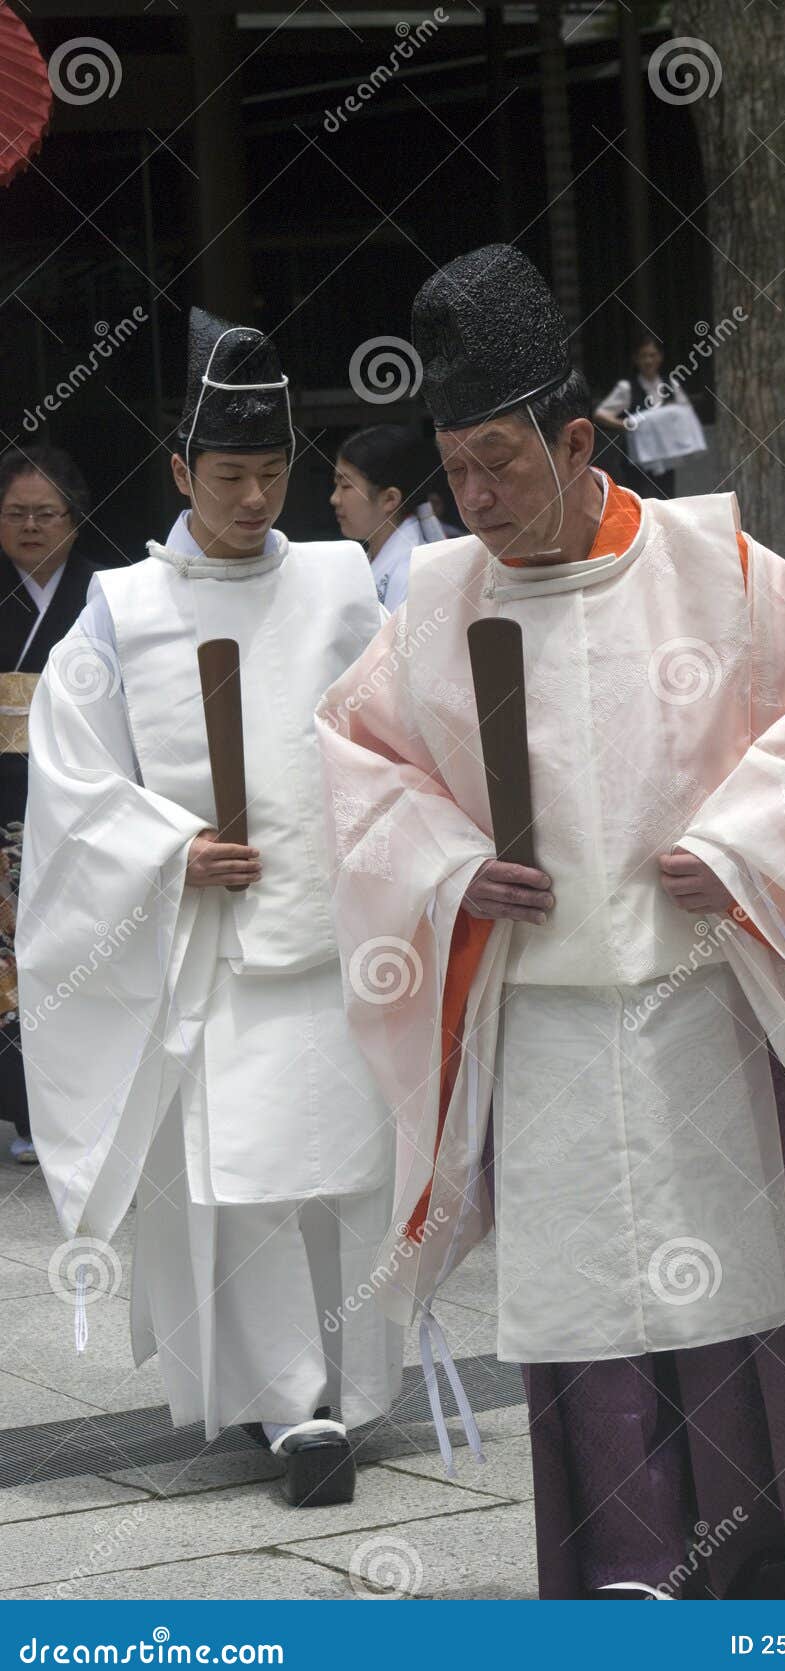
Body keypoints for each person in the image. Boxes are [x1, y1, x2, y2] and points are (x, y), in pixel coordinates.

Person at [316, 244, 785, 1597]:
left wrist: (743, 845)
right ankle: (622, 1559)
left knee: (717, 1280)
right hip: (537, 1002)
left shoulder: (707, 565)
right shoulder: (438, 600)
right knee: (581, 1294)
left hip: (691, 996)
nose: (474, 500)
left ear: (576, 435)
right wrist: (441, 865)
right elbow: (357, 759)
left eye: (502, 461)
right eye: (455, 471)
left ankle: (737, 1552)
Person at [17, 308, 404, 1507]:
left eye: (275, 473)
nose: (254, 499)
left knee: (348, 1167)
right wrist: (172, 847)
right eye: (230, 475)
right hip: (209, 950)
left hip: (334, 932)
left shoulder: (340, 582)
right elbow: (71, 776)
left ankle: (350, 1378)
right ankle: (290, 1406)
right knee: (242, 1178)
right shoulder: (125, 609)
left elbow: (396, 735)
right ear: (183, 470)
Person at [0, 446, 97, 1166]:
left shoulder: (105, 594)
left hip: (74, 797)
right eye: (15, 513)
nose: (31, 527)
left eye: (45, 512)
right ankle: (21, 1110)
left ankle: (78, 1105)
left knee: (74, 954)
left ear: (75, 516)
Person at [331, 425, 445, 611]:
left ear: (390, 499)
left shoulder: (413, 571)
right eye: (336, 484)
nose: (334, 498)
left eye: (345, 485)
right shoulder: (381, 559)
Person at [594, 333, 702, 498]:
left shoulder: (670, 384)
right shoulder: (627, 388)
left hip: (665, 455)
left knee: (667, 499)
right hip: (636, 459)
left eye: (652, 355)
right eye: (643, 356)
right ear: (636, 359)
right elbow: (600, 414)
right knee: (640, 500)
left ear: (660, 358)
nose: (648, 361)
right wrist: (625, 424)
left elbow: (685, 410)